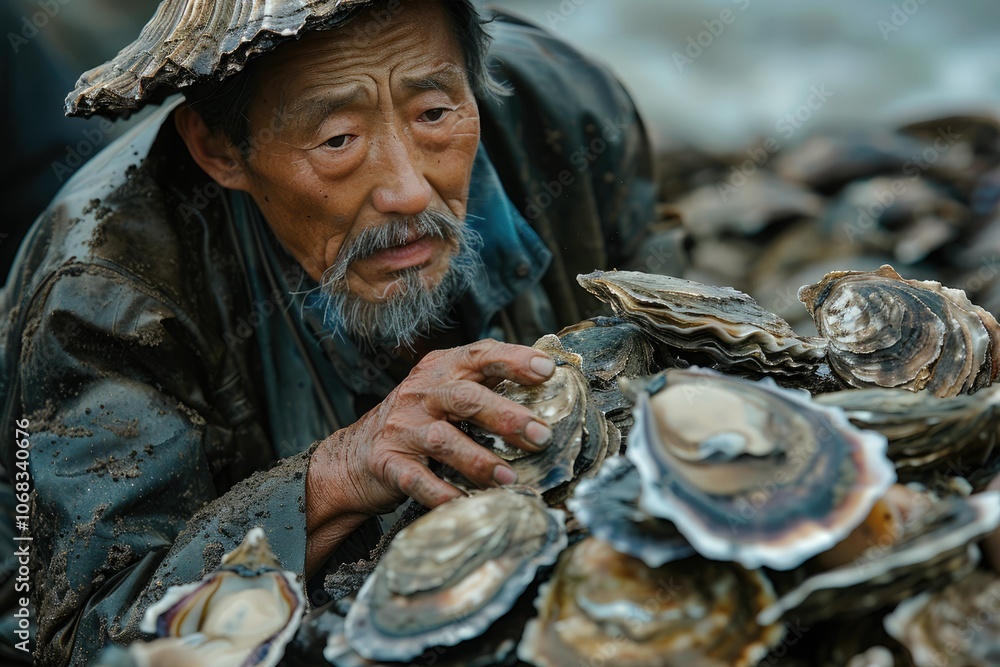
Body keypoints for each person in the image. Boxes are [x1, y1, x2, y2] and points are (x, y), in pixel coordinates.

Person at [0, 0, 658, 663]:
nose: (406, 191)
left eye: (434, 113)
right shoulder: (105, 290)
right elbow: (83, 633)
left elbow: (680, 365)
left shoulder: (566, 115)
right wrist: (340, 471)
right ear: (220, 148)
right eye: (338, 138)